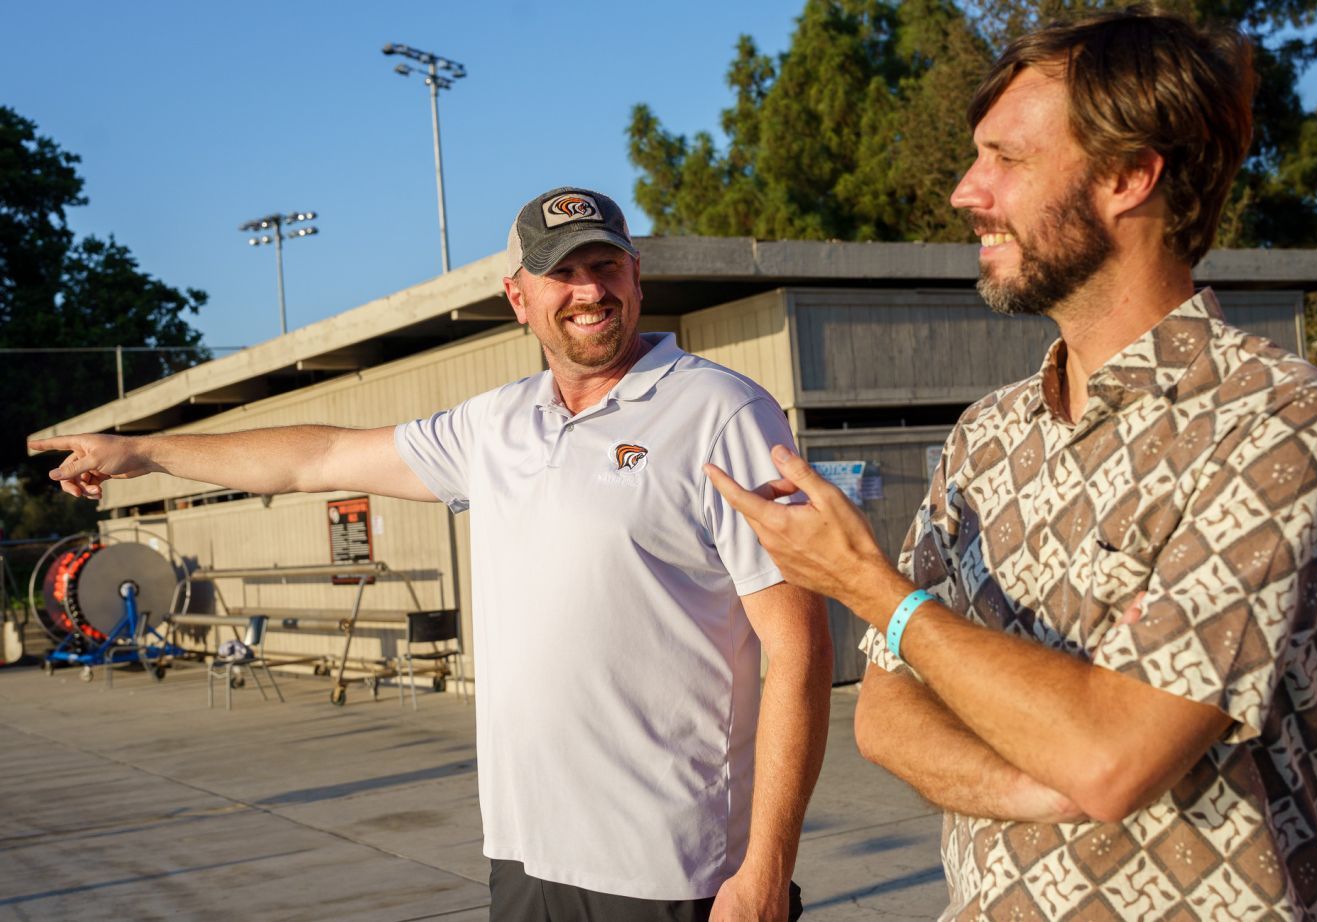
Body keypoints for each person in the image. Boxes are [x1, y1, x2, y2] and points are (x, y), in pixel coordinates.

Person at [706, 9, 1317, 921]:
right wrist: (1040, 786)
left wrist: (877, 594)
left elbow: (1113, 756)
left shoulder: (1279, 421)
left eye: (1008, 160)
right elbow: (884, 718)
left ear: (1130, 176)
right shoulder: (985, 436)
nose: (965, 191)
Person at [30, 187, 832, 922]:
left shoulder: (722, 412)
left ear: (637, 276)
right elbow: (317, 459)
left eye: (605, 265)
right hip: (528, 855)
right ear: (518, 299)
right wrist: (144, 453)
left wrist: (766, 869)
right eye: (562, 274)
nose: (589, 291)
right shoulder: (496, 427)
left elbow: (799, 651)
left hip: (678, 866)